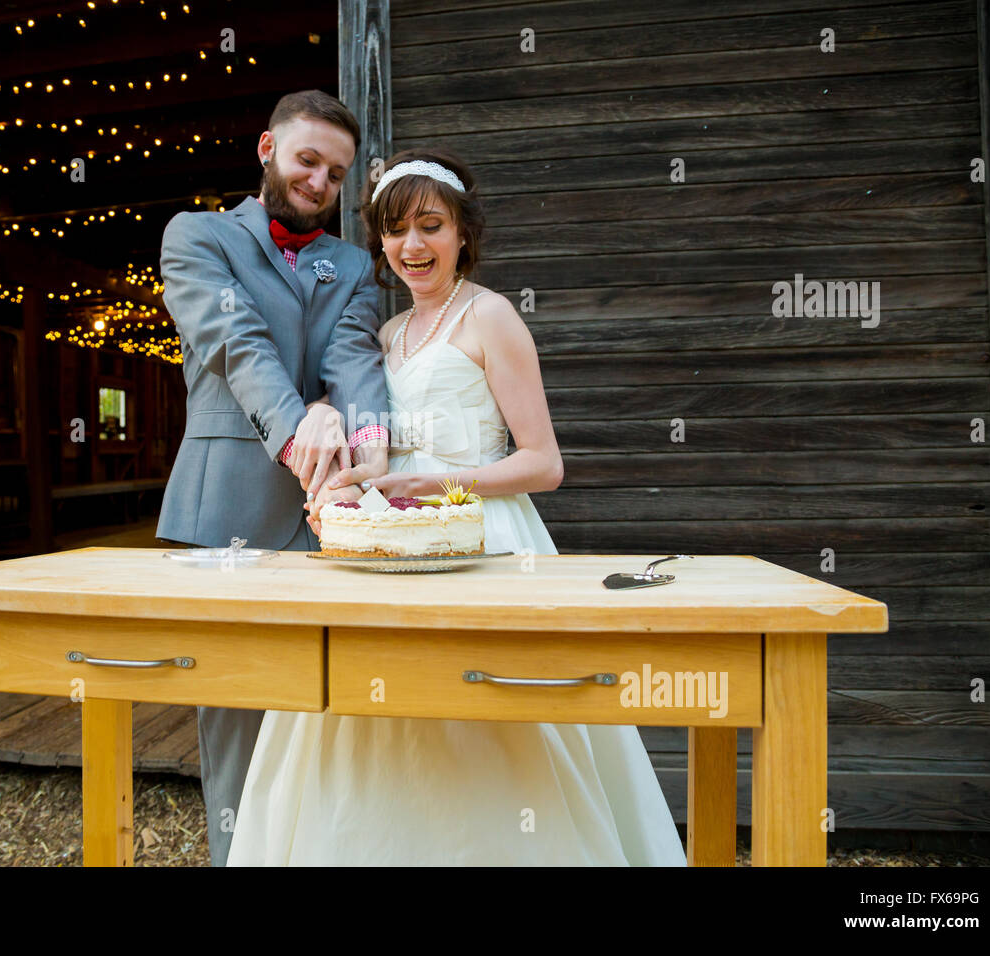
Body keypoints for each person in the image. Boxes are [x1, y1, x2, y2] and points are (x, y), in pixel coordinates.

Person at [227, 149, 687, 865]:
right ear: (379, 242)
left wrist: (441, 488)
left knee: (488, 700)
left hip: (484, 536)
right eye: (396, 230)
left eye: (431, 226)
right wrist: (345, 489)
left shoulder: (491, 316)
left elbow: (544, 462)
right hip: (393, 541)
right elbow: (378, 454)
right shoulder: (385, 338)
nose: (413, 246)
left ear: (462, 235)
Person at [155, 90, 391, 867]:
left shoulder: (357, 266)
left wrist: (365, 447)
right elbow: (236, 346)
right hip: (227, 513)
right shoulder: (198, 237)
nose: (321, 181)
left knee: (341, 721)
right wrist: (303, 432)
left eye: (337, 171)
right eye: (307, 160)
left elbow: (353, 358)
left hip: (338, 516)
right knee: (238, 728)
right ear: (267, 150)